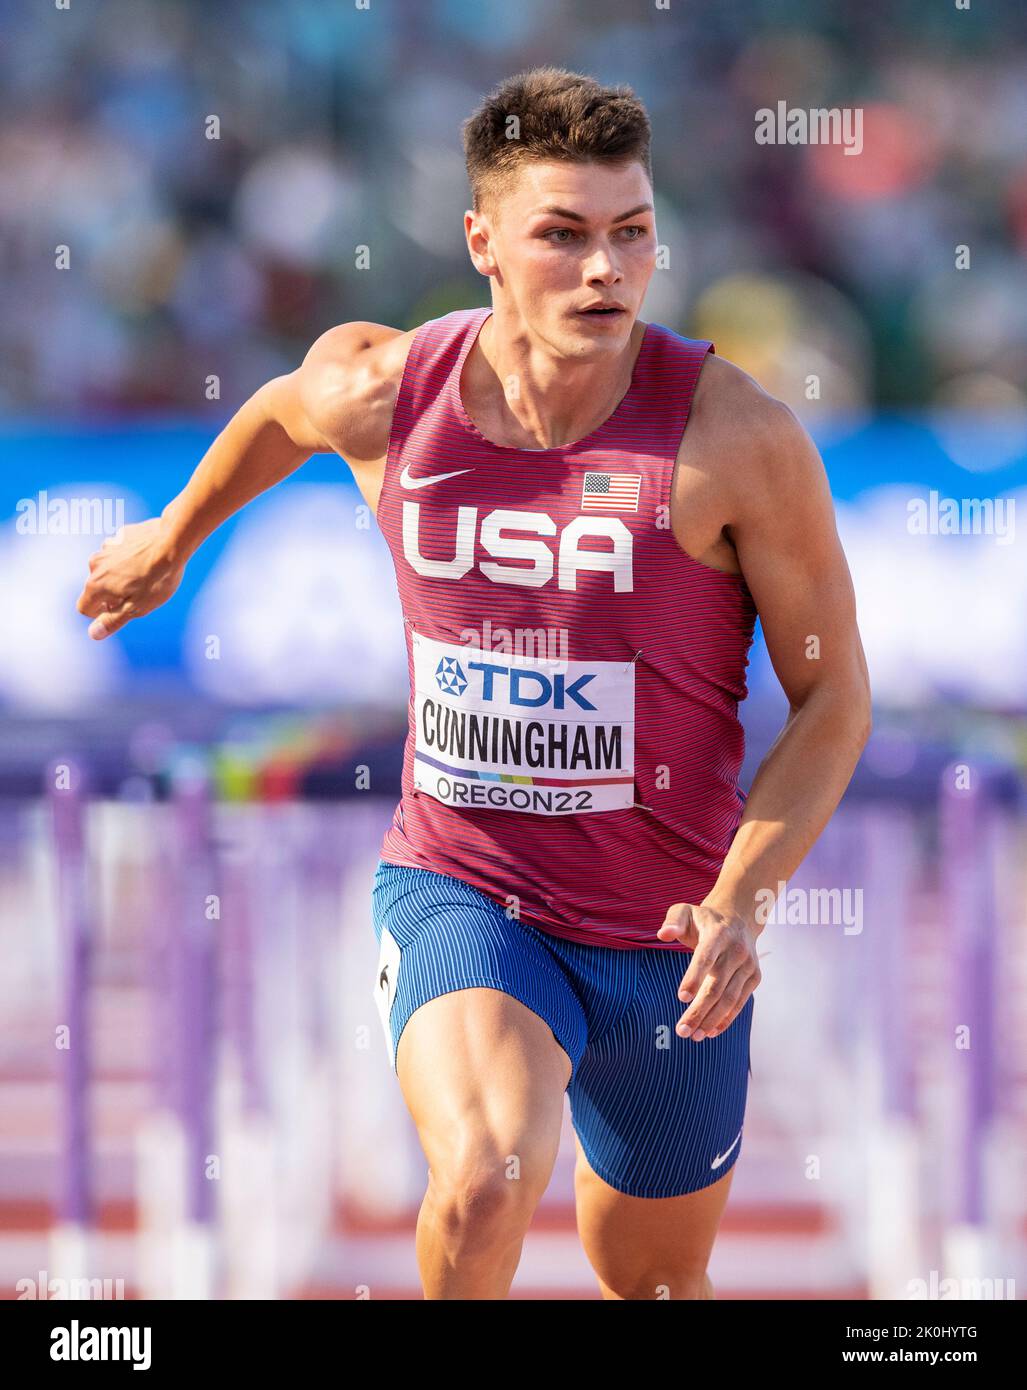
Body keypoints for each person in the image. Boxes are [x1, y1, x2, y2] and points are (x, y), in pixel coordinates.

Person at [76, 66, 872, 1300]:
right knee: (488, 1174)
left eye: (632, 233)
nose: (605, 269)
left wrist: (744, 896)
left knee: (652, 1279)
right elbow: (284, 414)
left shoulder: (735, 440)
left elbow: (832, 700)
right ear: (483, 243)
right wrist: (172, 534)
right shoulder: (392, 390)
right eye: (563, 236)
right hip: (467, 887)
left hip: (666, 934)